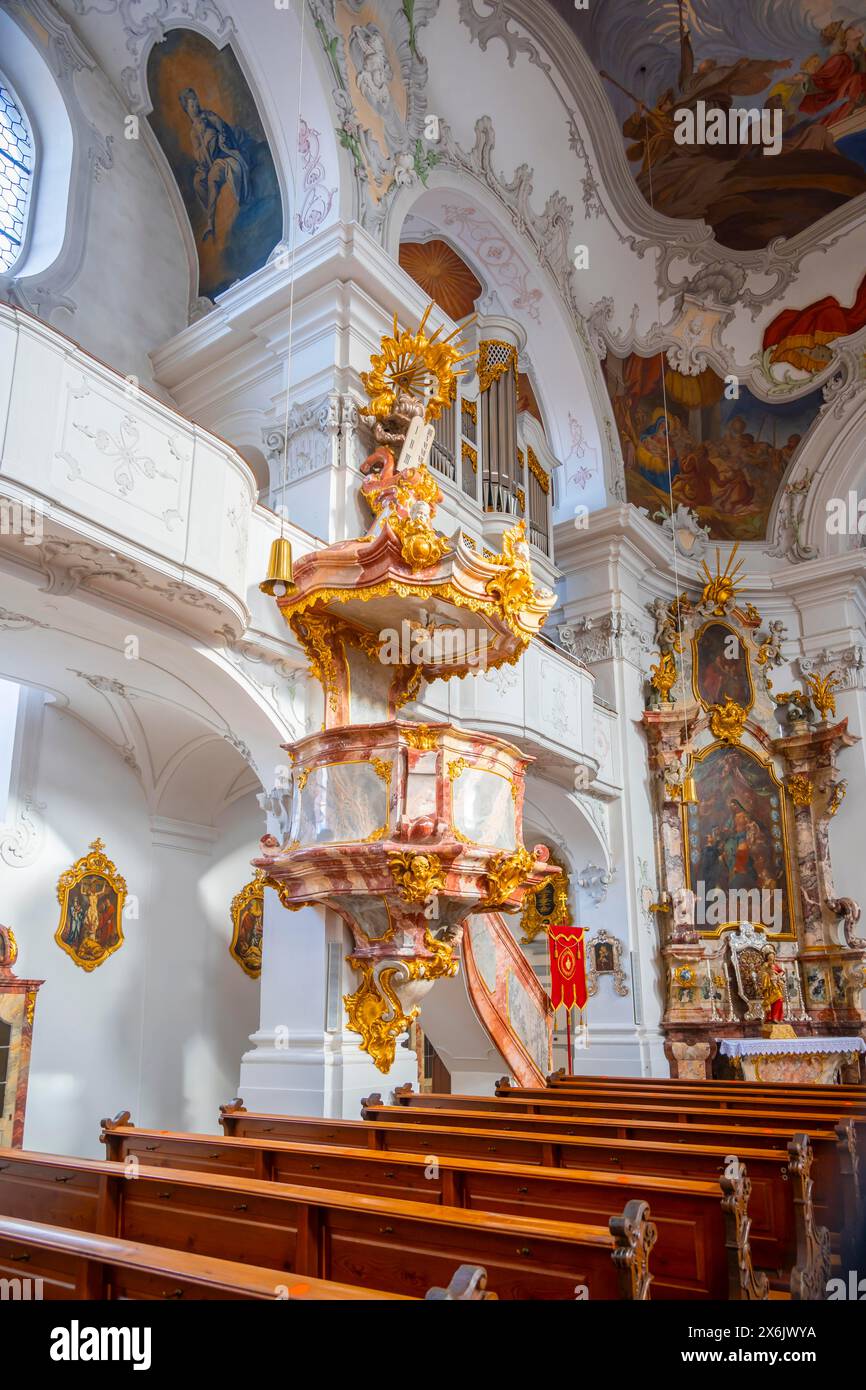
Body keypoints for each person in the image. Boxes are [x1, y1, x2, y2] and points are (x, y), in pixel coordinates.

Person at [179, 87, 251, 241]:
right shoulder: (193, 133)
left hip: (223, 156)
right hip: (209, 163)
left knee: (212, 178)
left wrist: (219, 136)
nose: (196, 106)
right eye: (192, 105)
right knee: (198, 182)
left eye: (196, 103)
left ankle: (211, 221)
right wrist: (204, 143)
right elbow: (199, 155)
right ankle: (214, 212)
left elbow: (223, 129)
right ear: (187, 109)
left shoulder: (208, 116)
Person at [759, 945, 786, 1022]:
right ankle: (771, 1017)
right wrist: (769, 975)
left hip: (776, 986)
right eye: (770, 956)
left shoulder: (775, 965)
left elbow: (782, 971)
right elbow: (762, 974)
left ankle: (776, 1017)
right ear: (767, 957)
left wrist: (778, 976)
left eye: (773, 956)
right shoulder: (765, 965)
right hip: (769, 987)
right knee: (771, 1002)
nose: (772, 957)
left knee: (779, 999)